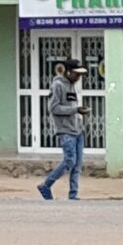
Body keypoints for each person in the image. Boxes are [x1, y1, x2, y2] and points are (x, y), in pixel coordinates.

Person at [37, 58, 89, 201]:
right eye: (76, 74)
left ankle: (73, 194)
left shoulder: (72, 86)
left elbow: (70, 106)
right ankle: (46, 184)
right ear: (68, 72)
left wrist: (78, 113)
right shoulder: (58, 85)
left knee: (77, 165)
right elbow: (53, 108)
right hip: (66, 130)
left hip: (77, 129)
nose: (78, 77)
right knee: (69, 161)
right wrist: (75, 109)